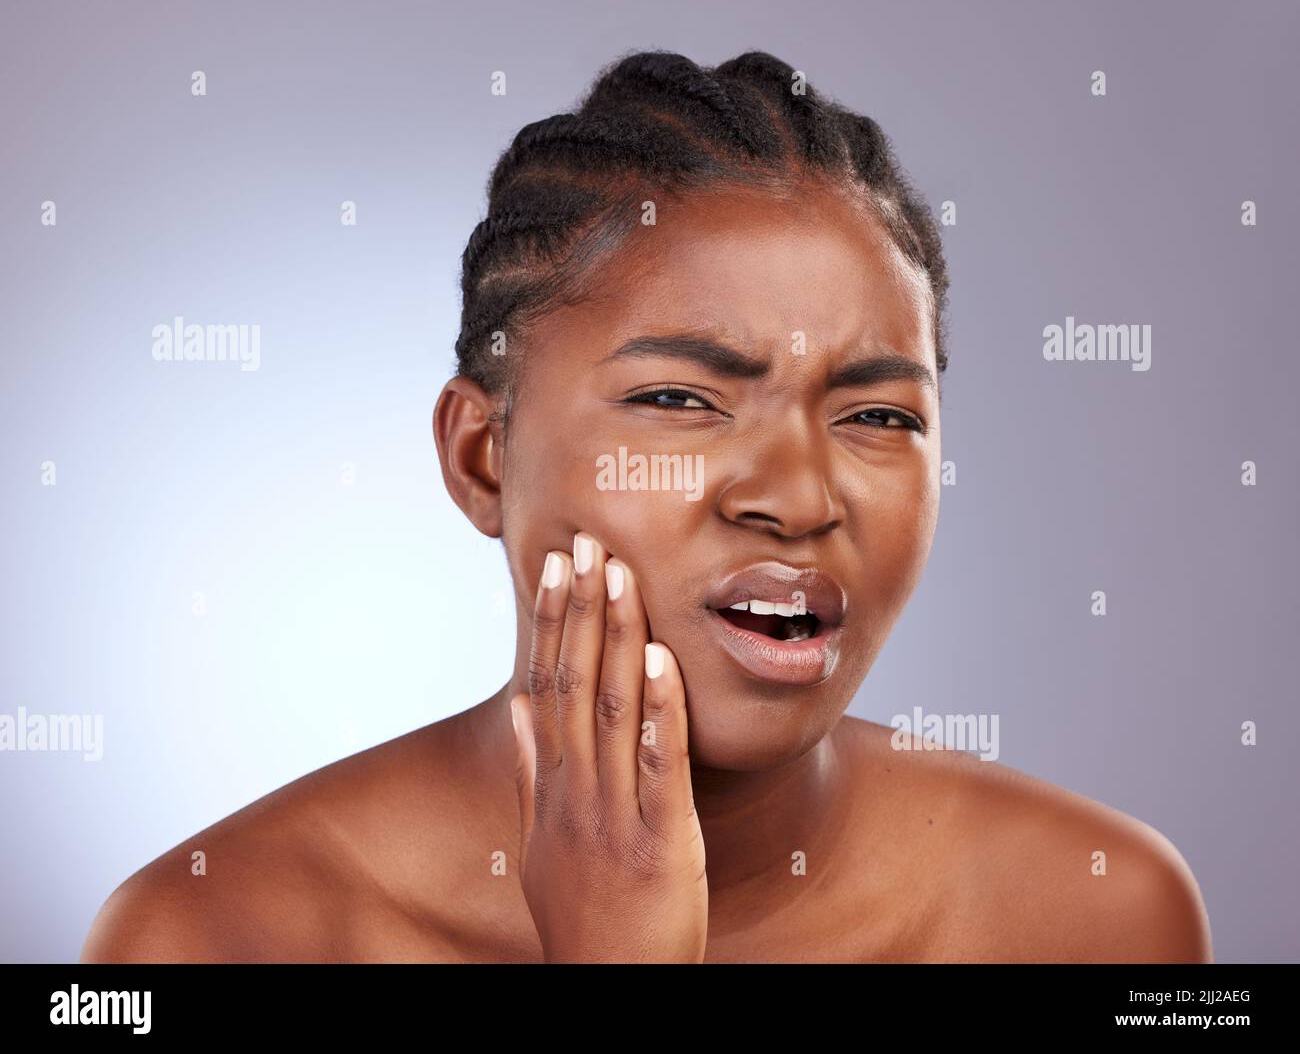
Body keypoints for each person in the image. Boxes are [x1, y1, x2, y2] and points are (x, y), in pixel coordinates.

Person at [81, 49, 1212, 963]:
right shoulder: (211, 937)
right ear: (482, 458)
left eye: (877, 417)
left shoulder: (1097, 917)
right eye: (680, 398)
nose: (798, 498)